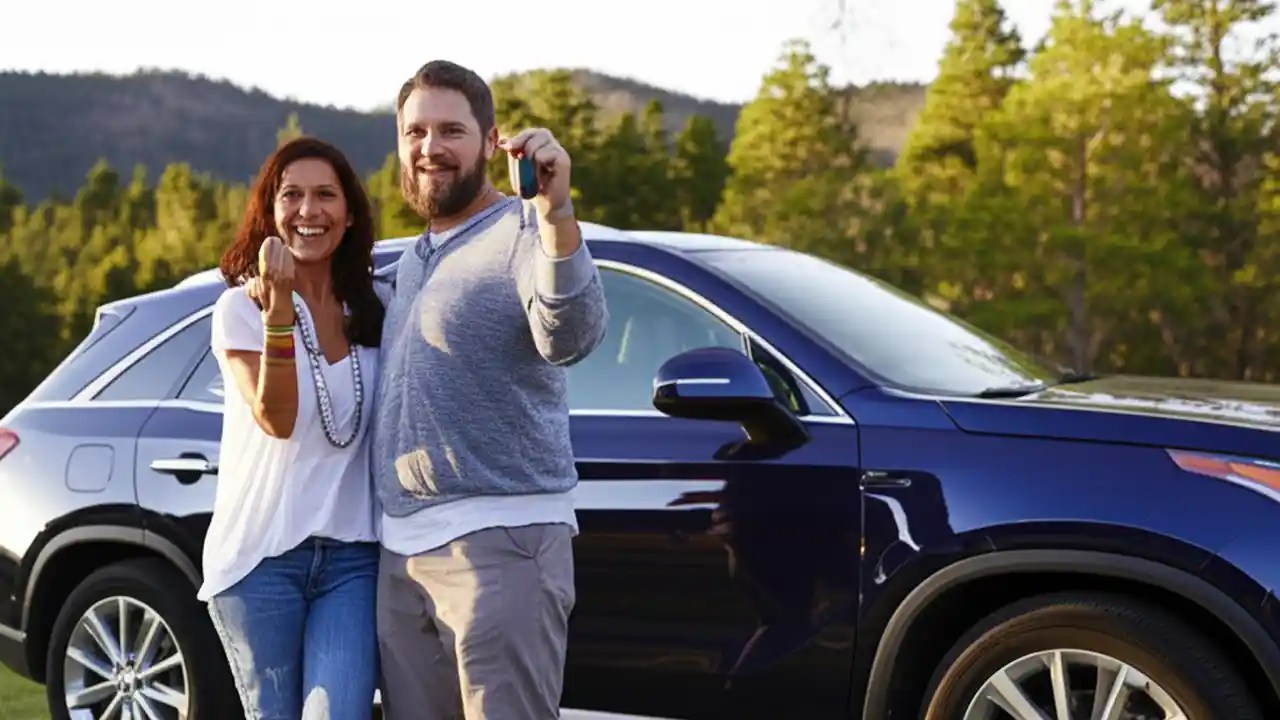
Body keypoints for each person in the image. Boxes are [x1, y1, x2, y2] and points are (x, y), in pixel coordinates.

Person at [371, 59, 608, 720]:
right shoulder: (413, 256)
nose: (430, 148)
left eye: (451, 130)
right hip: (402, 554)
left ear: (490, 139)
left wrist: (556, 213)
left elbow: (572, 334)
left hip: (501, 547)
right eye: (415, 132)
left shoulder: (525, 231)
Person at [199, 136, 385, 720]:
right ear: (270, 211)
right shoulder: (241, 310)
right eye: (292, 195)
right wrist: (279, 305)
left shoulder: (379, 306)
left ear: (349, 213)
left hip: (353, 558)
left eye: (326, 195)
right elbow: (276, 418)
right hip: (261, 561)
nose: (309, 211)